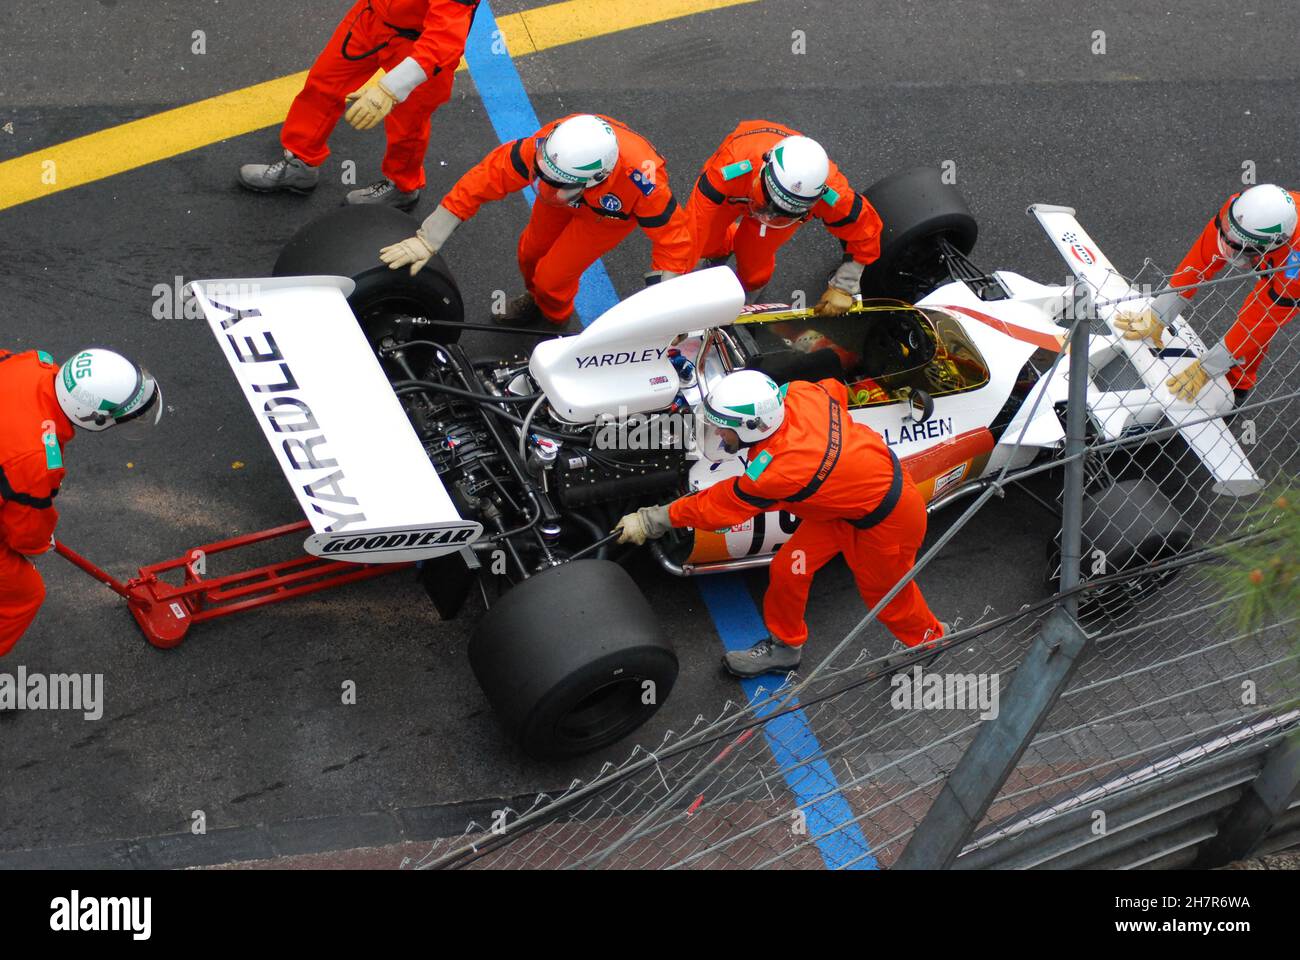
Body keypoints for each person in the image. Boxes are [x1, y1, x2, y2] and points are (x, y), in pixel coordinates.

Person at [615, 370, 945, 678]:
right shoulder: (799, 394)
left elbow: (719, 508)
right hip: (842, 509)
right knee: (790, 568)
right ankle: (786, 648)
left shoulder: (778, 470)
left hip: (886, 523)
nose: (718, 433)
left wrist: (652, 519)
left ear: (754, 426)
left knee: (887, 595)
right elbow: (834, 391)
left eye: (724, 428)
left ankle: (928, 641)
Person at [378, 113, 695, 327]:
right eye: (545, 177)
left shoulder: (643, 181)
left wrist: (665, 299)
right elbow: (485, 178)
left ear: (599, 176)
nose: (545, 185)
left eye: (559, 183)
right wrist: (428, 237)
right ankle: (539, 298)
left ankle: (554, 319)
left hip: (605, 219)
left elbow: (673, 239)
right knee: (529, 253)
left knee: (553, 276)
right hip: (566, 203)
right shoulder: (549, 149)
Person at [238, 0, 480, 210]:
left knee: (409, 122)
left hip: (419, 46)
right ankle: (300, 161)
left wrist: (390, 89)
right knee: (323, 84)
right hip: (371, 17)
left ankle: (403, 187)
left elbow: (444, 40)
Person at [0, 348, 162, 656]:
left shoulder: (35, 363)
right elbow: (26, 536)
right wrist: (38, 543)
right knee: (23, 596)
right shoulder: (37, 459)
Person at [1115, 184, 1300, 401]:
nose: (1228, 249)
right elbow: (1200, 262)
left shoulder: (1293, 270)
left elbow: (1260, 321)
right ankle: (1235, 383)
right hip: (1274, 258)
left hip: (1290, 271)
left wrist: (1208, 368)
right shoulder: (1238, 214)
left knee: (1254, 318)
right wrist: (1157, 315)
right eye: (1230, 237)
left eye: (1242, 246)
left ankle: (1233, 384)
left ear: (1275, 244)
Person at [685, 120, 883, 313]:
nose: (769, 217)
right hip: (736, 190)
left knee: (755, 264)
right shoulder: (729, 168)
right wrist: (677, 283)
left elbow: (865, 229)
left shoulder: (835, 194)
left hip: (758, 200)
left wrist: (844, 287)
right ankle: (722, 247)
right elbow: (694, 226)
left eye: (785, 211)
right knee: (703, 243)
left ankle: (748, 286)